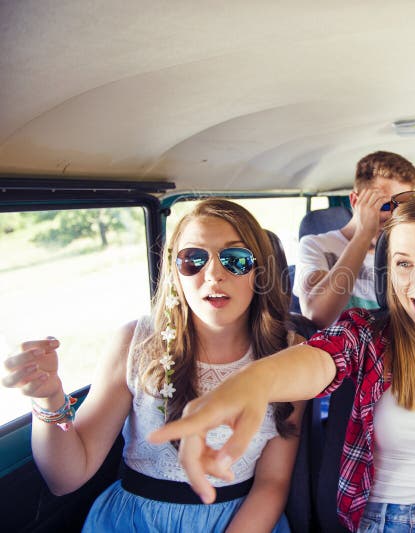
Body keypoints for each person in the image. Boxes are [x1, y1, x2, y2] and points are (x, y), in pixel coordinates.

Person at [150, 192, 415, 532]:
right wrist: (251, 383)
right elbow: (316, 362)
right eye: (404, 263)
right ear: (387, 271)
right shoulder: (365, 336)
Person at [2, 199, 305, 533]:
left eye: (235, 260)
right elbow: (66, 478)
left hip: (241, 522)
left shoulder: (288, 354)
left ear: (258, 269)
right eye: (193, 260)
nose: (215, 274)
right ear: (175, 273)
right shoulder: (136, 341)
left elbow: (273, 482)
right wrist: (49, 400)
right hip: (133, 522)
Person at [294, 150, 415, 329]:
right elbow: (317, 315)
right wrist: (364, 234)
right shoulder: (316, 245)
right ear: (355, 201)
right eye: (384, 205)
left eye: (402, 206)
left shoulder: (405, 251)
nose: (394, 216)